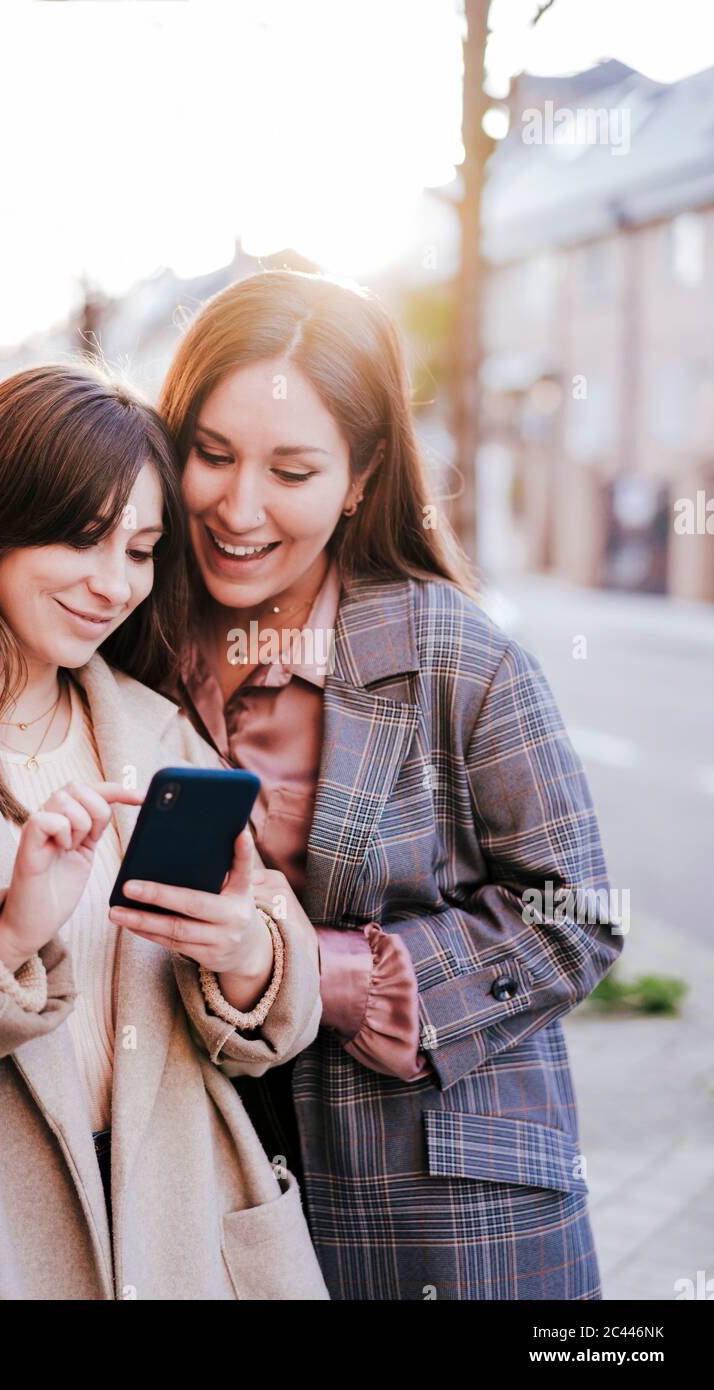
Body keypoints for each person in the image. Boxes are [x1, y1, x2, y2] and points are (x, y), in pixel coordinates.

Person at [157, 269, 625, 1300]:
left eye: (291, 469)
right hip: (203, 1196)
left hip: (442, 1215)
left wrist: (320, 974)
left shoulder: (456, 655)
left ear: (360, 477)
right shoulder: (128, 646)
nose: (237, 506)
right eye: (214, 454)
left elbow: (574, 914)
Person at [0, 362, 329, 1301]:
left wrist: (247, 954)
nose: (115, 585)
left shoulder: (158, 734)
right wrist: (3, 938)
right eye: (83, 539)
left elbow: (283, 1007)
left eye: (143, 550)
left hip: (190, 1237)